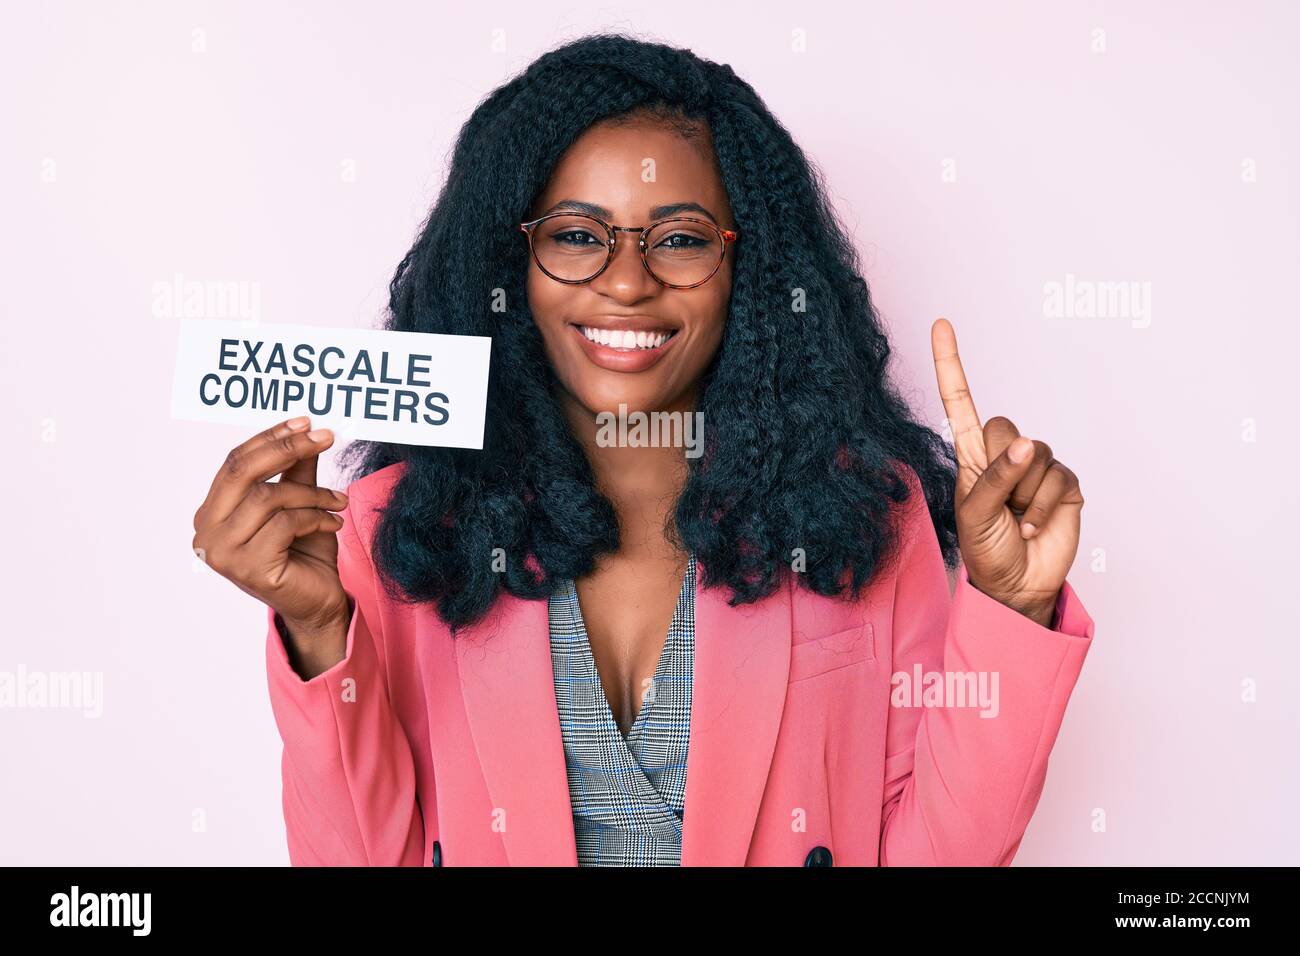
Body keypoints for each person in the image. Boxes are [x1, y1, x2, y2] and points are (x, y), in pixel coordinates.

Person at [191, 33, 1094, 866]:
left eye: (682, 240)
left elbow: (940, 855)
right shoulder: (403, 528)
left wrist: (1015, 604)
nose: (627, 280)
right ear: (507, 266)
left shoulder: (862, 515)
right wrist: (317, 632)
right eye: (577, 235)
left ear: (752, 269)